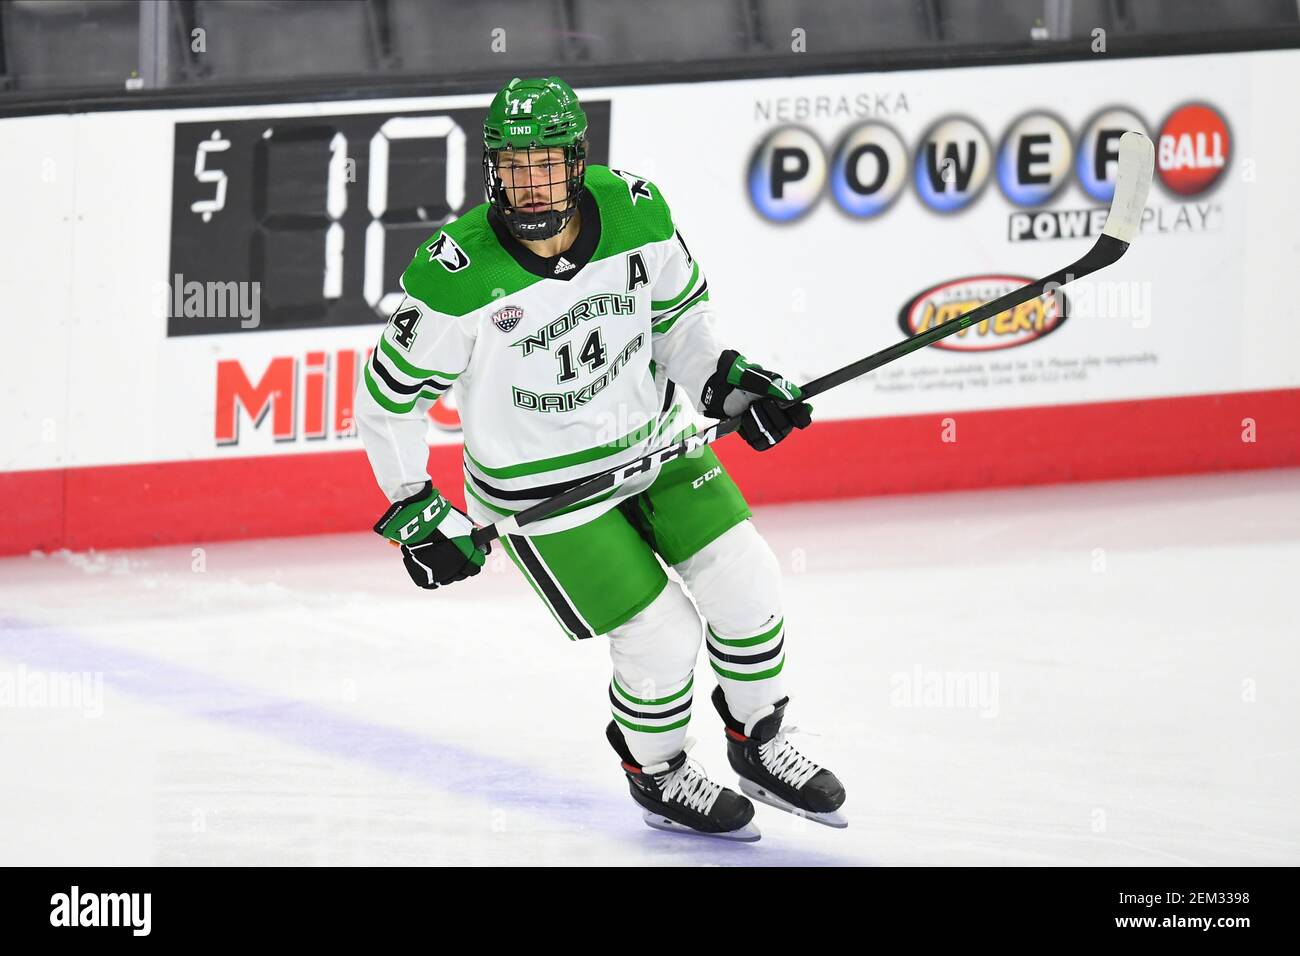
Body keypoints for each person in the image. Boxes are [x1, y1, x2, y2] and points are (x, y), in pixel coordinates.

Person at [356, 76, 846, 839]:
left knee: (748, 579)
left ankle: (761, 740)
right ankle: (658, 774)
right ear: (492, 168)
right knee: (662, 635)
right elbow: (389, 399)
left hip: (655, 444)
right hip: (541, 492)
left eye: (546, 161)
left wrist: (728, 383)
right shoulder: (456, 277)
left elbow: (681, 326)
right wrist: (415, 506)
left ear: (579, 160)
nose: (530, 181)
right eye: (512, 164)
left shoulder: (636, 213)